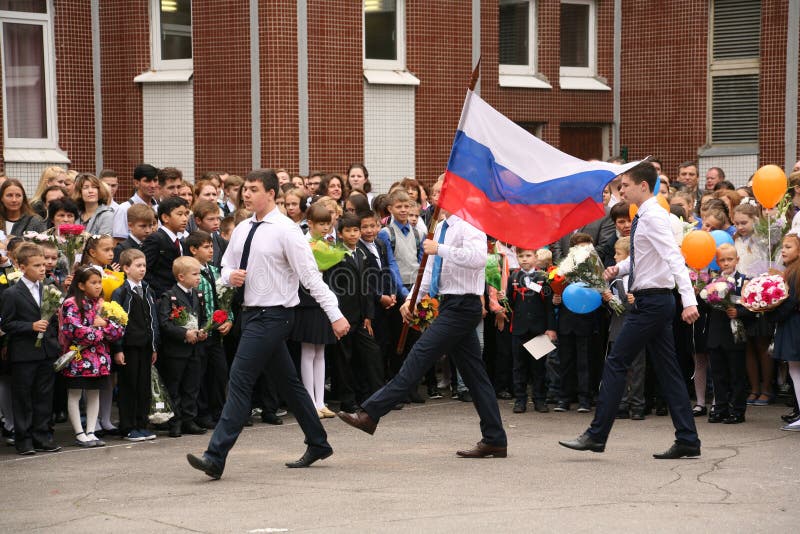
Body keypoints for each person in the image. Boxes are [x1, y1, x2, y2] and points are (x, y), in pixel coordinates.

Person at [186, 169, 349, 479]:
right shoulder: (242, 228)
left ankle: (215, 456)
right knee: (289, 382)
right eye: (245, 189)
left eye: (253, 189)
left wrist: (335, 314)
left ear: (271, 194)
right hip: (250, 313)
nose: (246, 194)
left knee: (239, 379)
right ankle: (318, 442)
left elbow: (310, 276)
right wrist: (229, 276)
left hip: (275, 315)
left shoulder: (287, 231)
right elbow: (225, 266)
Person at [338, 209, 508, 459]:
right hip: (449, 303)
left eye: (442, 193)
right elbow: (429, 268)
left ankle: (370, 413)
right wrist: (412, 299)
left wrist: (440, 248)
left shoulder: (470, 224)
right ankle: (495, 439)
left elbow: (478, 258)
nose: (439, 198)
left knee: (418, 358)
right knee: (475, 376)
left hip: (464, 304)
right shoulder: (441, 226)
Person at [559, 162, 702, 459]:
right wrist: (619, 268)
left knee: (616, 362)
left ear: (643, 186)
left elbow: (673, 257)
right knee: (669, 371)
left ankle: (596, 435)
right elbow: (645, 257)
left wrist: (689, 300)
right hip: (654, 301)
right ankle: (688, 439)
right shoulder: (645, 215)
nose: (620, 190)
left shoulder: (654, 217)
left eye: (625, 185)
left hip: (652, 303)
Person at [2, 243, 62, 454]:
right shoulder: (12, 293)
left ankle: (42, 436)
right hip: (24, 353)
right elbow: (7, 324)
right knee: (23, 397)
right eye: (36, 265)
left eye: (43, 264)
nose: (42, 268)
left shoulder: (48, 289)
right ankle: (24, 439)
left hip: (46, 351)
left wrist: (54, 342)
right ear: (21, 266)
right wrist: (31, 326)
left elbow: (53, 320)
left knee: (44, 396)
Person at [59, 267, 125, 447]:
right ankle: (79, 433)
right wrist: (102, 332)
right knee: (75, 393)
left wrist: (104, 325)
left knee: (94, 393)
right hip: (78, 359)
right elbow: (75, 330)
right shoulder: (71, 304)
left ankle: (91, 431)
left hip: (99, 360)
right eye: (93, 283)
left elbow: (118, 330)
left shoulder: (102, 304)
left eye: (99, 282)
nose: (98, 286)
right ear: (81, 285)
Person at [289, 203, 338, 417]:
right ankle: (310, 401)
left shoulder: (327, 243)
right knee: (308, 351)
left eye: (328, 223)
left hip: (323, 302)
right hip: (307, 302)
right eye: (321, 224)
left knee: (321, 352)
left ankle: (320, 401)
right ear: (310, 223)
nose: (325, 228)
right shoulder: (303, 243)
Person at [185, 231, 232, 429]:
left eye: (211, 246)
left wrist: (229, 319)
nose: (211, 250)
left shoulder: (215, 271)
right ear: (193, 250)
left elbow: (224, 298)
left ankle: (219, 410)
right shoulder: (191, 274)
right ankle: (202, 413)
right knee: (201, 375)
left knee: (220, 372)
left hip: (216, 332)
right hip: (201, 332)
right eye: (206, 247)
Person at [157, 256, 209, 438]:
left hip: (195, 349)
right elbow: (164, 323)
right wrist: (184, 333)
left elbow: (203, 317)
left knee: (192, 386)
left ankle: (189, 419)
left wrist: (203, 330)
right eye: (194, 274)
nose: (198, 278)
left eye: (199, 274)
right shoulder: (169, 296)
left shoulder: (197, 295)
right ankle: (175, 421)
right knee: (174, 386)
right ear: (181, 276)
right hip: (176, 351)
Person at [111, 249, 159, 442]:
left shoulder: (148, 290)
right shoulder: (121, 292)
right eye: (138, 266)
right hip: (129, 347)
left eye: (144, 265)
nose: (142, 269)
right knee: (128, 386)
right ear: (126, 268)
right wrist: (118, 348)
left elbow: (153, 319)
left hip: (145, 346)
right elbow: (115, 322)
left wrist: (154, 346)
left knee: (143, 387)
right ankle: (128, 426)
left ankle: (141, 424)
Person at [507, 248, 557, 414]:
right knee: (519, 366)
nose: (524, 259)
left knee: (538, 367)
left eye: (528, 256)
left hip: (539, 329)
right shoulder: (513, 277)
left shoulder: (543, 278)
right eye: (521, 256)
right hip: (519, 329)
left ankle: (539, 399)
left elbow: (549, 306)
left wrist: (551, 328)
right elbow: (510, 303)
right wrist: (502, 300)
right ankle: (520, 400)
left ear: (536, 258)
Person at [705, 244, 751, 424]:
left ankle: (738, 410)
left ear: (737, 260)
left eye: (730, 259)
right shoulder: (711, 282)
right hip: (716, 334)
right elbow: (705, 308)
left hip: (735, 335)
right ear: (717, 262)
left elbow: (752, 308)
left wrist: (739, 312)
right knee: (718, 375)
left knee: (737, 374)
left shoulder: (744, 281)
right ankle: (721, 408)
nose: (726, 263)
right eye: (722, 260)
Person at [767, 232, 800, 431]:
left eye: (789, 247)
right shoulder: (790, 271)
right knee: (795, 370)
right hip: (793, 323)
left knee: (796, 370)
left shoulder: (795, 273)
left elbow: (791, 301)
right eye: (783, 247)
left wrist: (772, 314)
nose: (784, 251)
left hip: (794, 325)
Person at [142, 197, 190, 297]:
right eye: (179, 214)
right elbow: (145, 270)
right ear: (165, 218)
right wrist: (163, 293)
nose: (185, 219)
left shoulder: (181, 242)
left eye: (186, 214)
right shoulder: (155, 239)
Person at [112, 164, 160, 242]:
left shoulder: (159, 208)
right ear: (136, 183)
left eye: (155, 180)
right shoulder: (124, 209)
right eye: (147, 181)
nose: (153, 185)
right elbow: (118, 242)